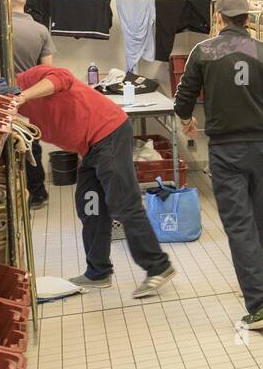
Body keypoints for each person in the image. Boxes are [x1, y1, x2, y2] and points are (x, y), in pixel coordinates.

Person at [174, 0, 263, 331]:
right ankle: (254, 283)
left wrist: (187, 122)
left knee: (241, 228)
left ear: (219, 18)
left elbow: (183, 99)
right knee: (257, 224)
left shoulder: (205, 51)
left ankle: (260, 306)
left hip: (226, 152)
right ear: (248, 18)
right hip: (262, 149)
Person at [15, 65, 176, 298]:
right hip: (90, 149)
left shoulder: (28, 79)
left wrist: (21, 97)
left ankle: (158, 266)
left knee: (123, 203)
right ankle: (98, 272)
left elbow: (62, 76)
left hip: (108, 132)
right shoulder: (19, 112)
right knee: (90, 206)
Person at [0, 0, 55, 209]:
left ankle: (4, 194)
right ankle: (37, 194)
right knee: (29, 140)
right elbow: (48, 70)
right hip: (30, 94)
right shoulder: (41, 29)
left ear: (2, 2)